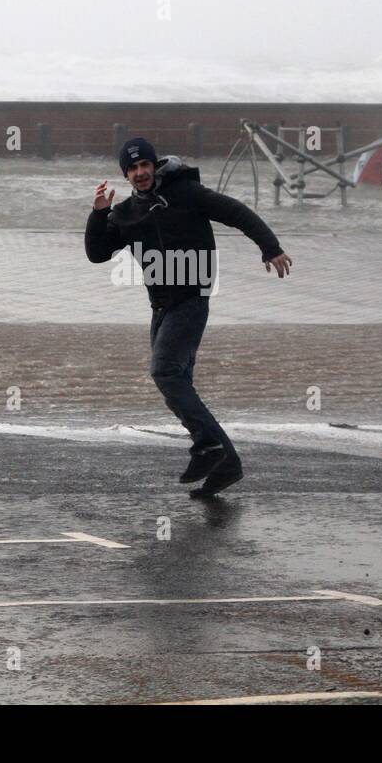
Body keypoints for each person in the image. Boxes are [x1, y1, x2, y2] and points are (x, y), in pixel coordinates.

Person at [85, 137, 292, 498]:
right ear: (127, 175)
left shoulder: (187, 193)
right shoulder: (129, 211)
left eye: (144, 165)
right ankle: (226, 462)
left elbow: (237, 212)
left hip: (191, 300)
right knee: (176, 381)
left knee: (164, 371)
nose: (139, 173)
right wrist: (99, 212)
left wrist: (270, 247)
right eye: (132, 169)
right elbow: (97, 253)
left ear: (155, 165)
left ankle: (208, 447)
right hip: (160, 307)